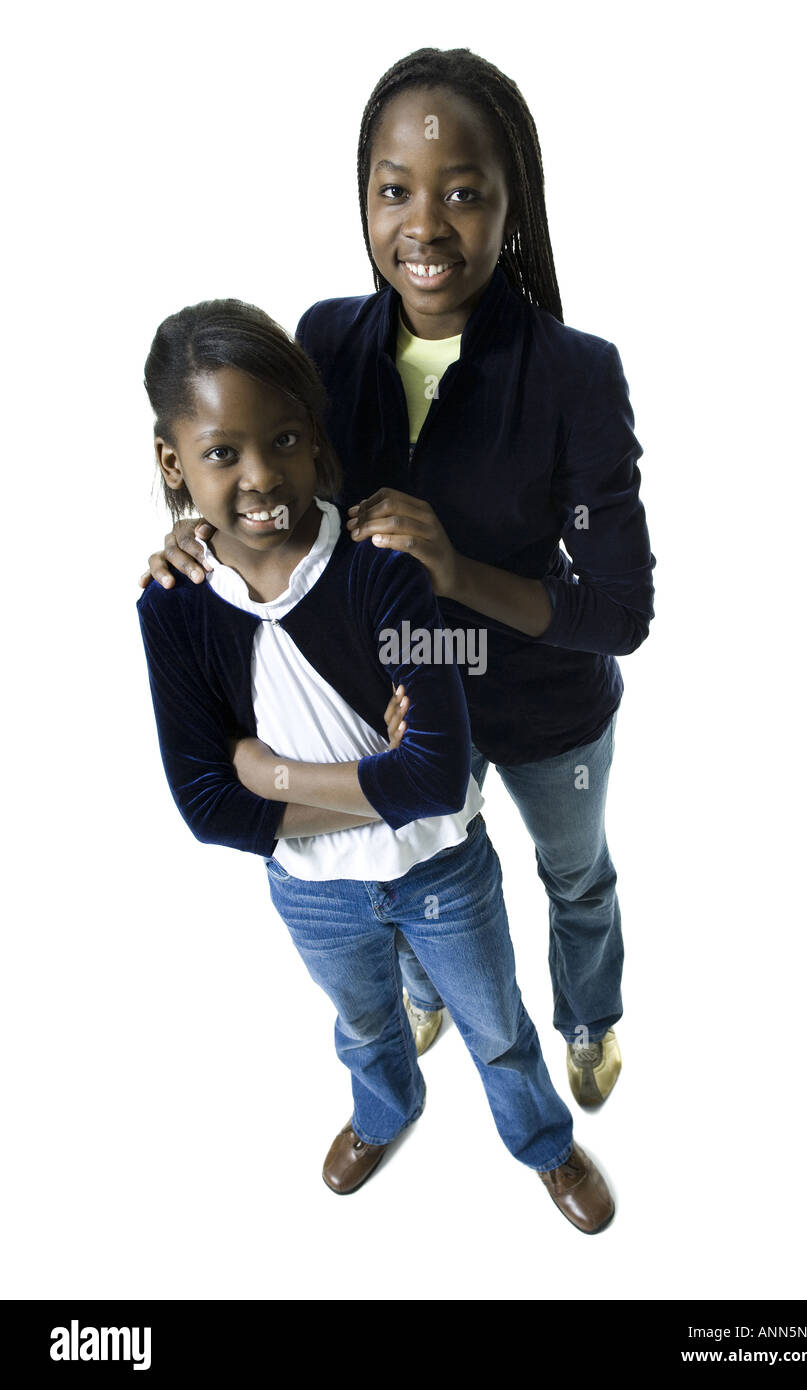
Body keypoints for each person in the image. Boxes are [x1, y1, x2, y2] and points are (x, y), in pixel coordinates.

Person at [141, 48, 656, 1108]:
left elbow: (619, 611)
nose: (423, 225)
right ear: (363, 196)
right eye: (394, 190)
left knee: (574, 878)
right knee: (411, 871)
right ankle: (425, 990)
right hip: (404, 708)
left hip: (548, 705)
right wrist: (193, 541)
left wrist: (456, 571)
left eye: (463, 193)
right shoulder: (326, 339)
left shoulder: (574, 372)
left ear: (511, 205)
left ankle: (587, 1015)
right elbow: (273, 494)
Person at [136, 297, 615, 1233]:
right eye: (221, 453)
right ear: (173, 463)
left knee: (500, 1031)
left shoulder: (382, 568)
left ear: (317, 439)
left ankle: (545, 1146)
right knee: (363, 1024)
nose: (261, 475)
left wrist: (267, 774)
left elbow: (434, 781)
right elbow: (205, 807)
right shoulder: (175, 609)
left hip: (441, 870)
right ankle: (385, 1111)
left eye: (282, 440)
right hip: (316, 894)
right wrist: (366, 782)